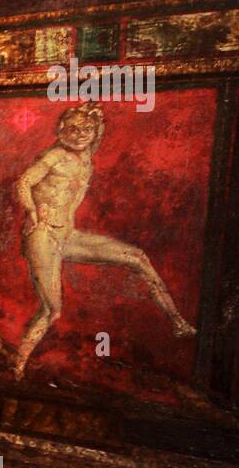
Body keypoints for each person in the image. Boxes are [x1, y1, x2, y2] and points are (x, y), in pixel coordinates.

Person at [12, 101, 196, 379]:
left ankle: (179, 322)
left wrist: (96, 118)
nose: (80, 134)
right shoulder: (55, 156)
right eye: (73, 129)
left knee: (137, 257)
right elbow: (24, 182)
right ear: (61, 131)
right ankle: (17, 369)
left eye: (86, 129)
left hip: (67, 235)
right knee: (52, 310)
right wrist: (33, 213)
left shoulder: (86, 155)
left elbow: (95, 135)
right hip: (44, 235)